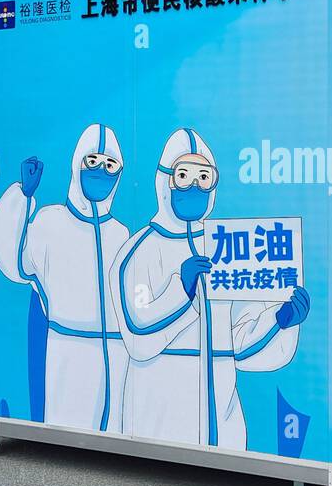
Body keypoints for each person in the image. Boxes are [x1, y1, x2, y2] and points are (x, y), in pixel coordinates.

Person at [111, 128, 310, 449]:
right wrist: (182, 289)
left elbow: (241, 343)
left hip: (222, 412)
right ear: (165, 181)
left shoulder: (226, 249)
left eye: (203, 177)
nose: (193, 185)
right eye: (184, 175)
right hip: (159, 412)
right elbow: (137, 333)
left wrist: (280, 319)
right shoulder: (140, 251)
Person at [0, 124, 130, 432]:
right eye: (92, 161)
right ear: (77, 163)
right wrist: (22, 197)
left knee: (115, 425)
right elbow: (15, 263)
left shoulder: (121, 234)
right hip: (67, 349)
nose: (100, 172)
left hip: (118, 354)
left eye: (109, 165)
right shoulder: (50, 222)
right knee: (67, 423)